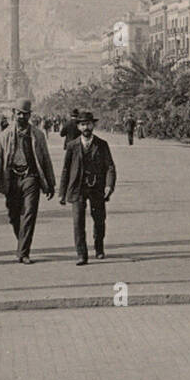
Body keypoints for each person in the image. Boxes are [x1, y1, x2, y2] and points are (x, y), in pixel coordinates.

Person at [0, 100, 55, 264]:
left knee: (29, 213)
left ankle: (24, 252)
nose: (21, 116)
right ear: (14, 113)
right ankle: (22, 242)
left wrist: (50, 183)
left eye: (25, 114)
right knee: (13, 215)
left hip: (31, 176)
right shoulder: (5, 135)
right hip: (11, 177)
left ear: (29, 115)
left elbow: (45, 158)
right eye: (18, 113)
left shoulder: (38, 135)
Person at [59, 110, 116, 266]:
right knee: (78, 222)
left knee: (99, 220)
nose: (86, 127)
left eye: (89, 124)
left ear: (93, 125)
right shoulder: (72, 146)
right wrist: (62, 193)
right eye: (83, 124)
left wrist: (109, 185)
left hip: (97, 187)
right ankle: (81, 255)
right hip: (78, 187)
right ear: (78, 127)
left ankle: (99, 248)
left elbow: (110, 167)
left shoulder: (102, 145)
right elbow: (65, 169)